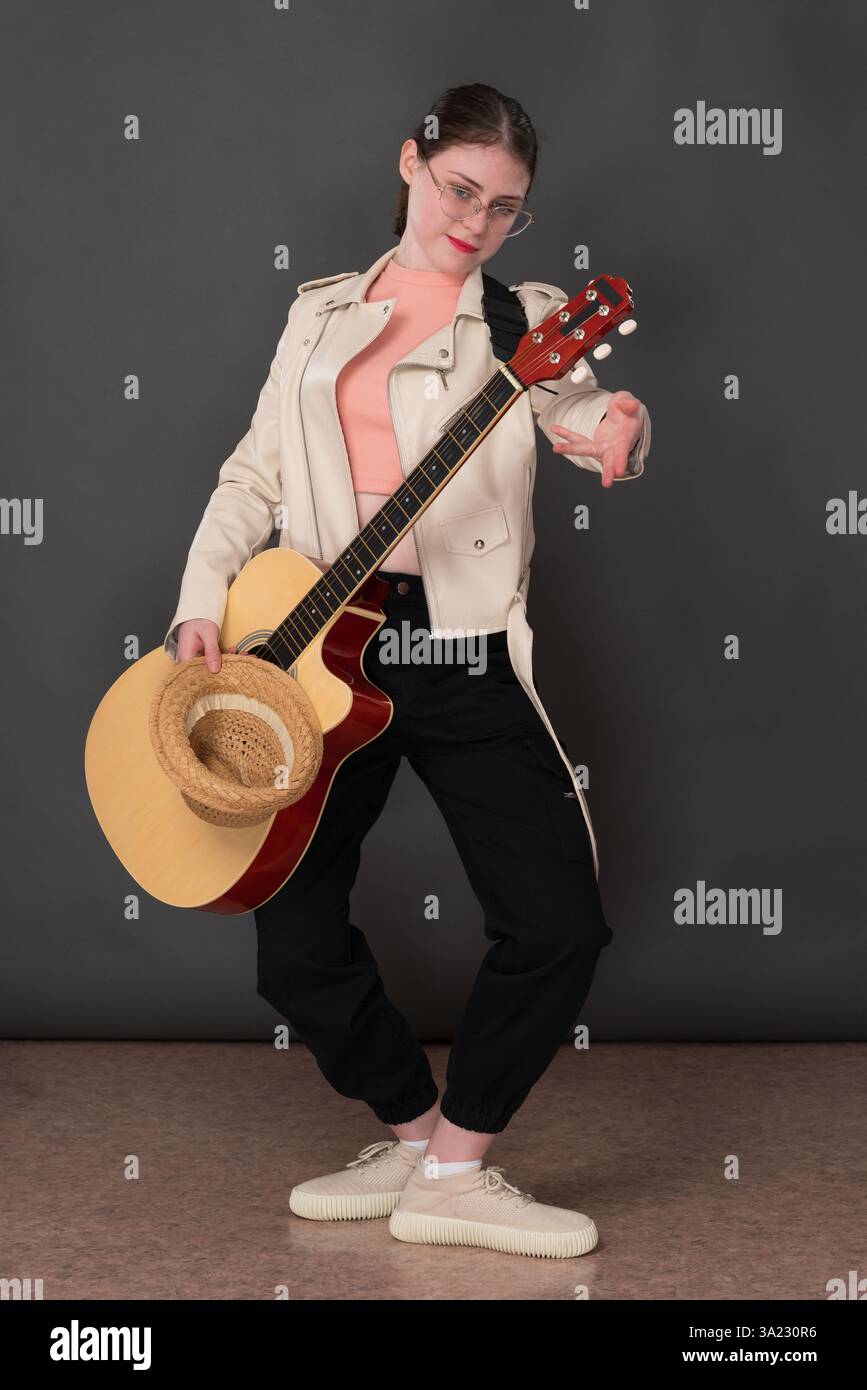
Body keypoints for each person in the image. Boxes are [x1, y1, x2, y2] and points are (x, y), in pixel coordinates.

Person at [164, 83, 651, 1259]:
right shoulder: (319, 312)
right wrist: (199, 602)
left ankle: (461, 1168)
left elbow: (577, 407)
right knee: (291, 939)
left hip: (458, 643)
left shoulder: (522, 314)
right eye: (458, 189)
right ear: (411, 165)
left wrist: (613, 428)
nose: (475, 222)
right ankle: (419, 1139)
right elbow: (254, 473)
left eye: (504, 207)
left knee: (557, 921)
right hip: (316, 646)